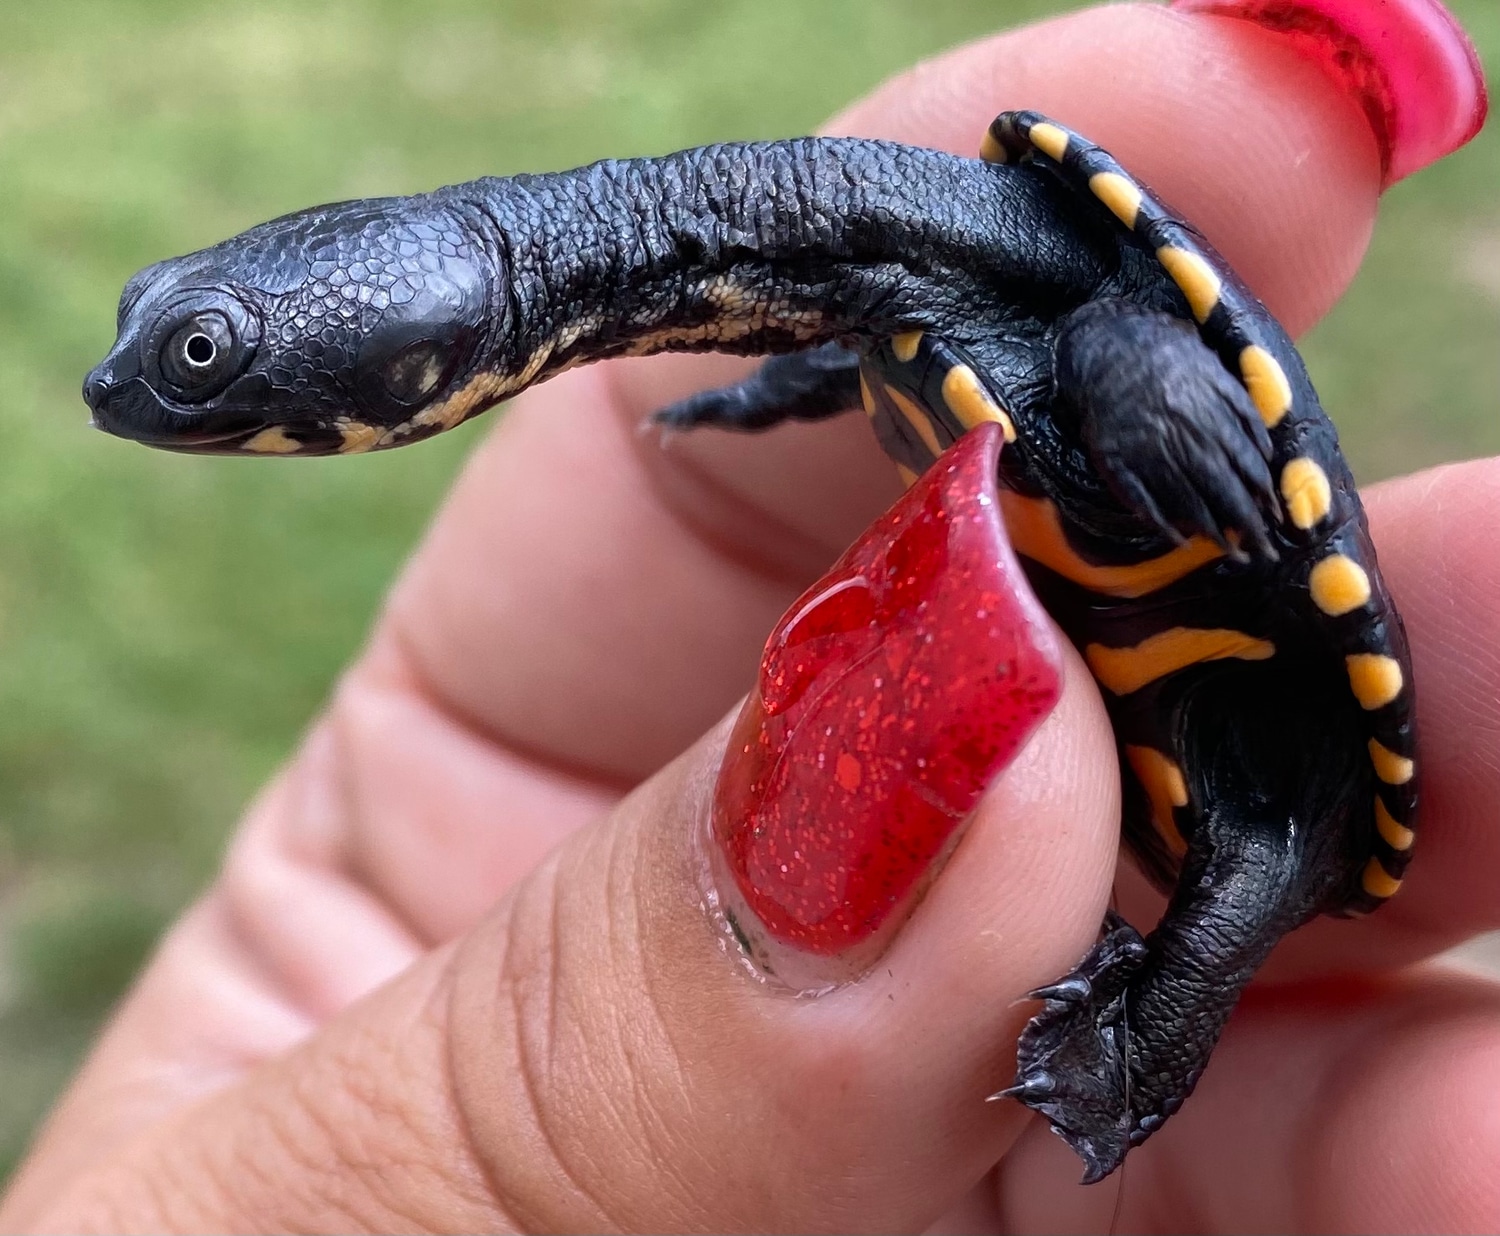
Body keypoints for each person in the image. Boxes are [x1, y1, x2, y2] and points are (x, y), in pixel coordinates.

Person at [3, 1, 1494, 1230]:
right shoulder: (872, 282)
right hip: (1127, 663)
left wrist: (1149, 395)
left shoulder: (999, 278)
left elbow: (1108, 325)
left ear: (433, 354)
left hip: (1264, 731)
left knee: (1262, 845)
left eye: (204, 353)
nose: (135, 389)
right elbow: (856, 304)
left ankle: (1141, 1061)